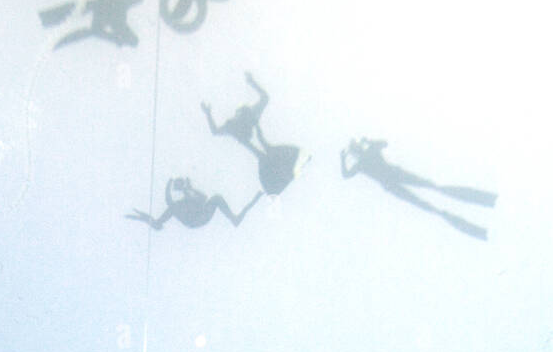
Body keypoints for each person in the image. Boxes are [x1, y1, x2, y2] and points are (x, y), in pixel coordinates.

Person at [341, 138, 497, 240]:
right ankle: (484, 207)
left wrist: (345, 157)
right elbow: (383, 144)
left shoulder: (362, 162)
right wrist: (368, 142)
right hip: (395, 177)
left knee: (430, 201)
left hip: (392, 181)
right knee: (433, 193)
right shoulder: (368, 154)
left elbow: (347, 174)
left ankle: (482, 216)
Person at [202, 73, 309, 196]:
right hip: (260, 151)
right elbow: (215, 131)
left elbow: (265, 98)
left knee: (266, 150)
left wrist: (252, 82)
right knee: (265, 153)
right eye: (241, 116)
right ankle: (280, 177)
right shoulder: (233, 125)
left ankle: (287, 170)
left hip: (262, 148)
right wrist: (208, 114)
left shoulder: (250, 114)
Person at [127, 176, 262, 231]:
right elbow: (159, 223)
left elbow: (204, 198)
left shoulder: (185, 200)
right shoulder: (176, 206)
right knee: (176, 207)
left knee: (216, 197)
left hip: (199, 216)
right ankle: (234, 218)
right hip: (194, 220)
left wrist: (189, 188)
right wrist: (143, 218)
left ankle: (234, 218)